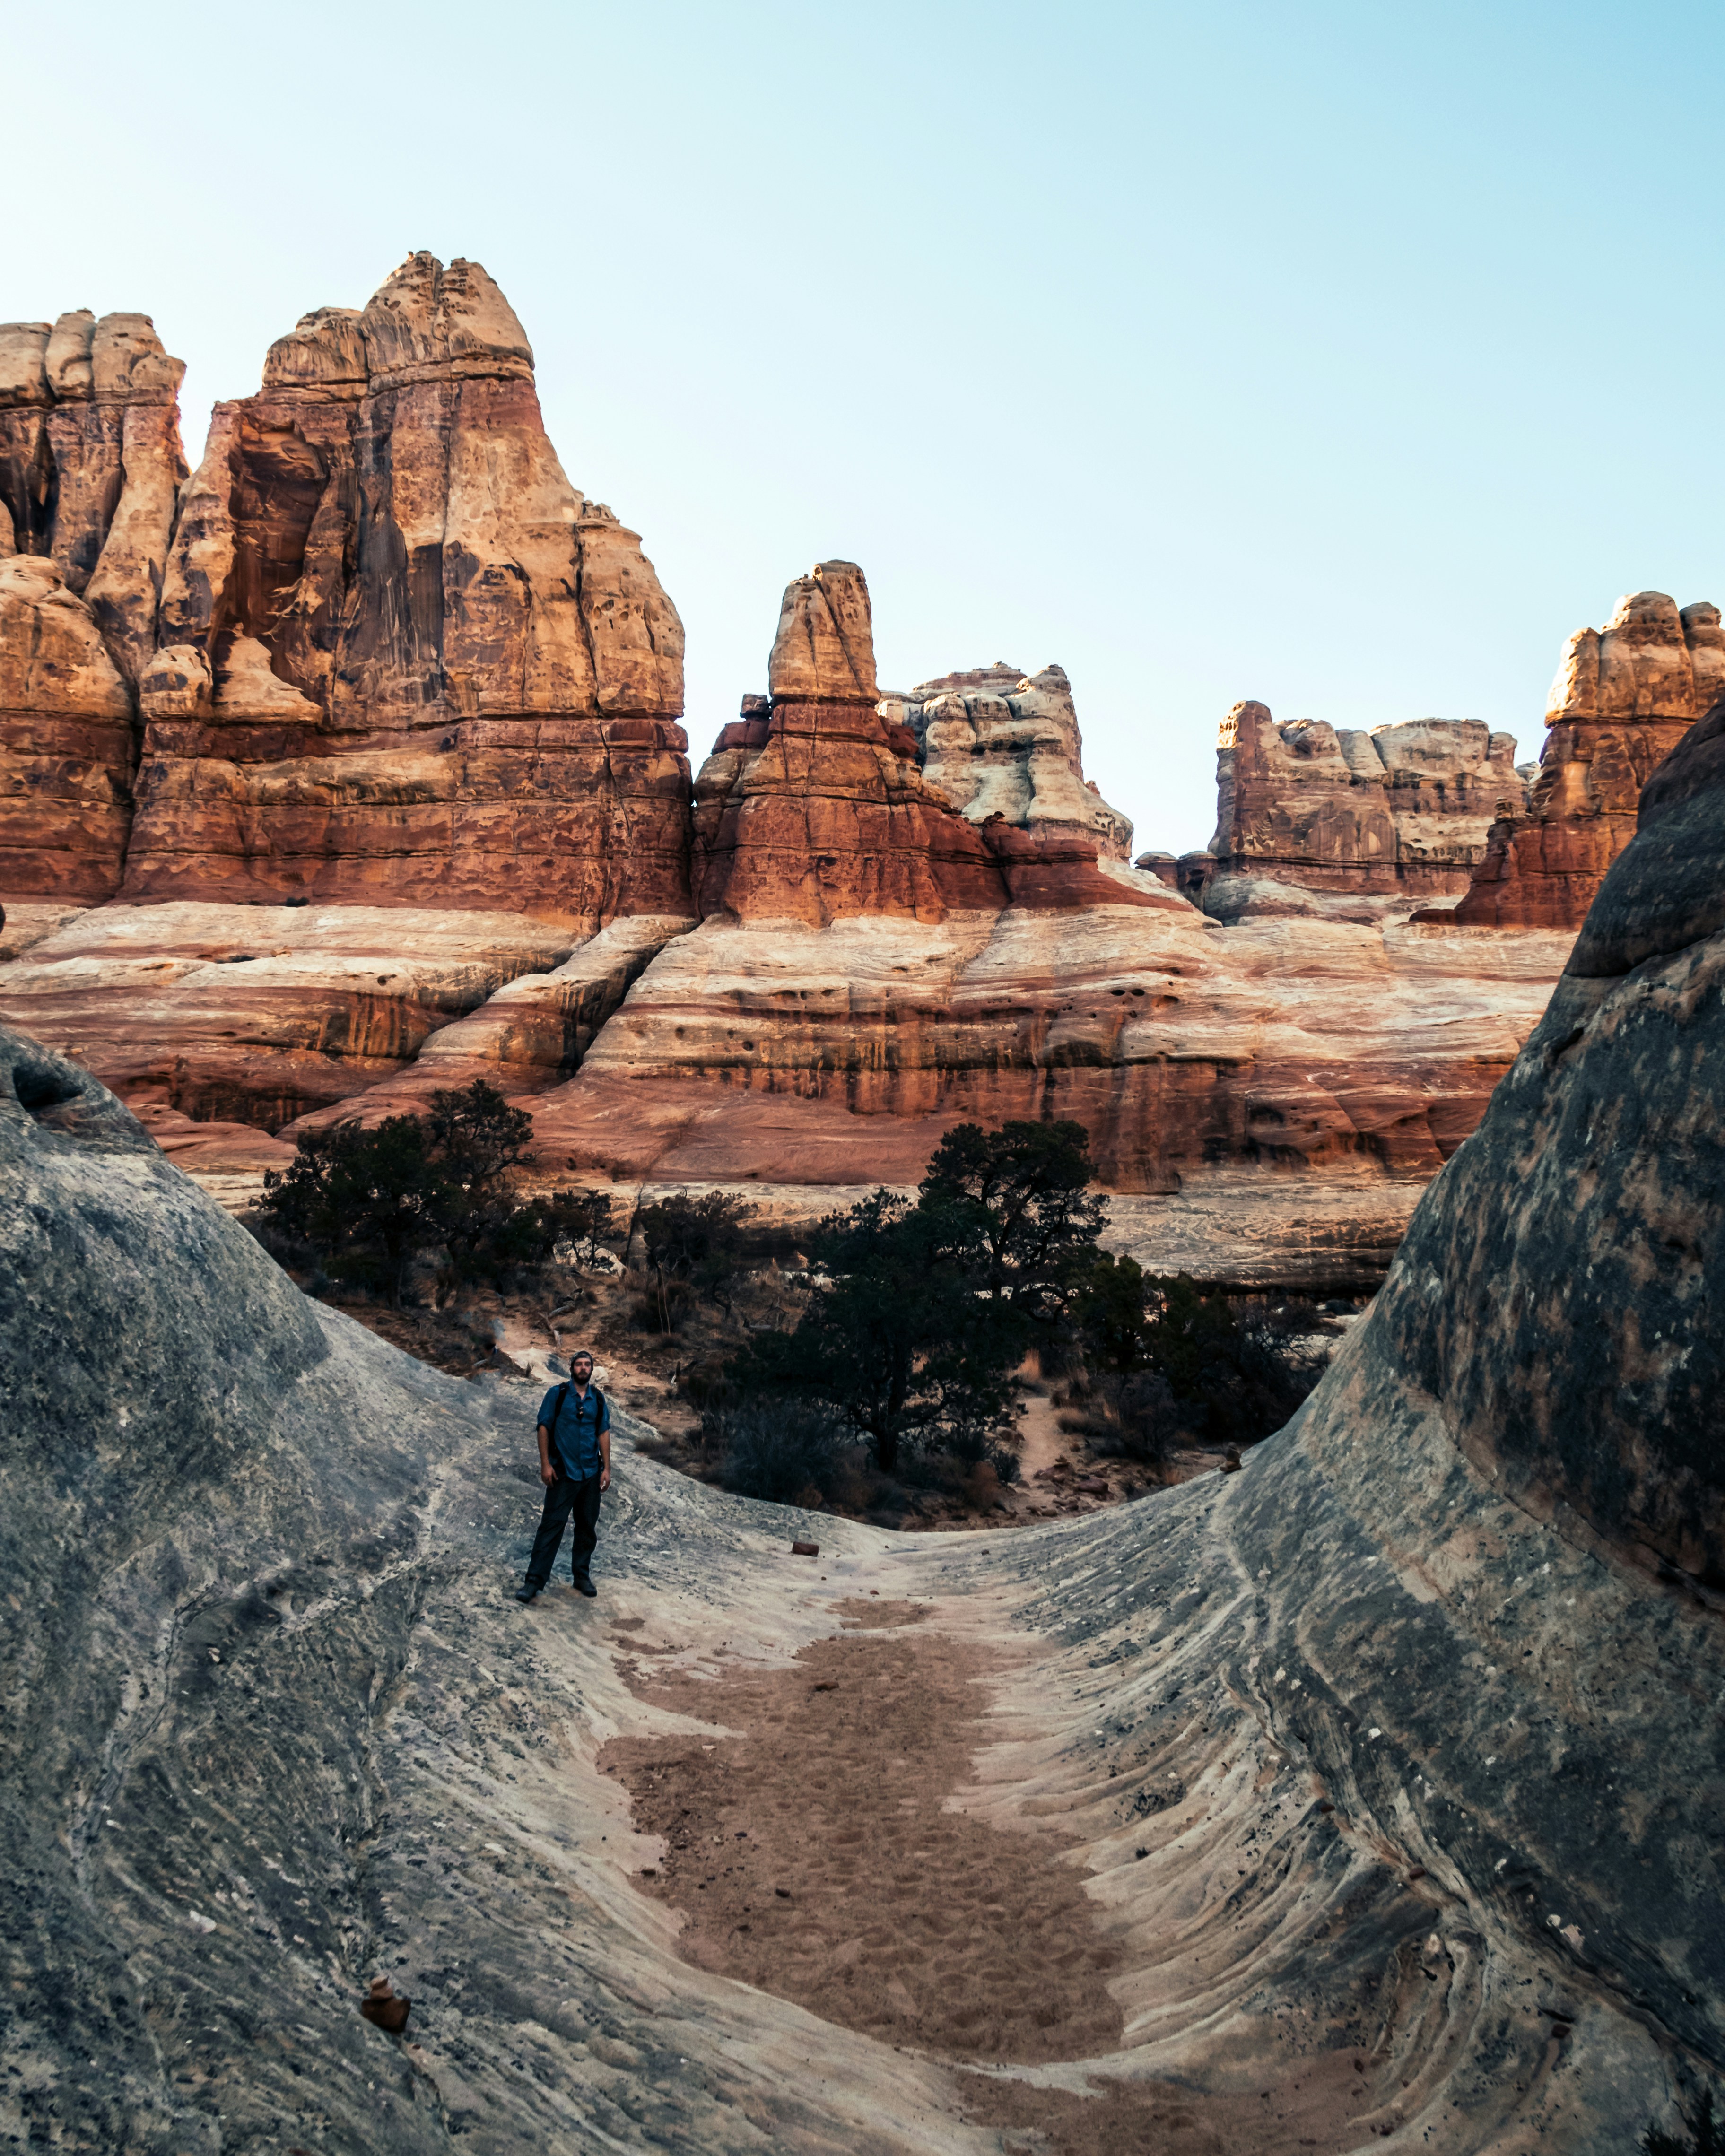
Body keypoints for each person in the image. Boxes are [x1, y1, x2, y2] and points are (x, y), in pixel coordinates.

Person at [515, 1350, 610, 1602]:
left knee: (587, 1527)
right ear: (571, 1368)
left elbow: (603, 1433)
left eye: (587, 1365)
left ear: (592, 1369)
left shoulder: (598, 1400)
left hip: (590, 1473)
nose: (583, 1368)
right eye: (578, 1364)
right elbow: (544, 1427)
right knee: (551, 1527)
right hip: (563, 1473)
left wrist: (607, 1469)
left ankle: (581, 1577)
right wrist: (545, 1464)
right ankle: (534, 1582)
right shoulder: (556, 1395)